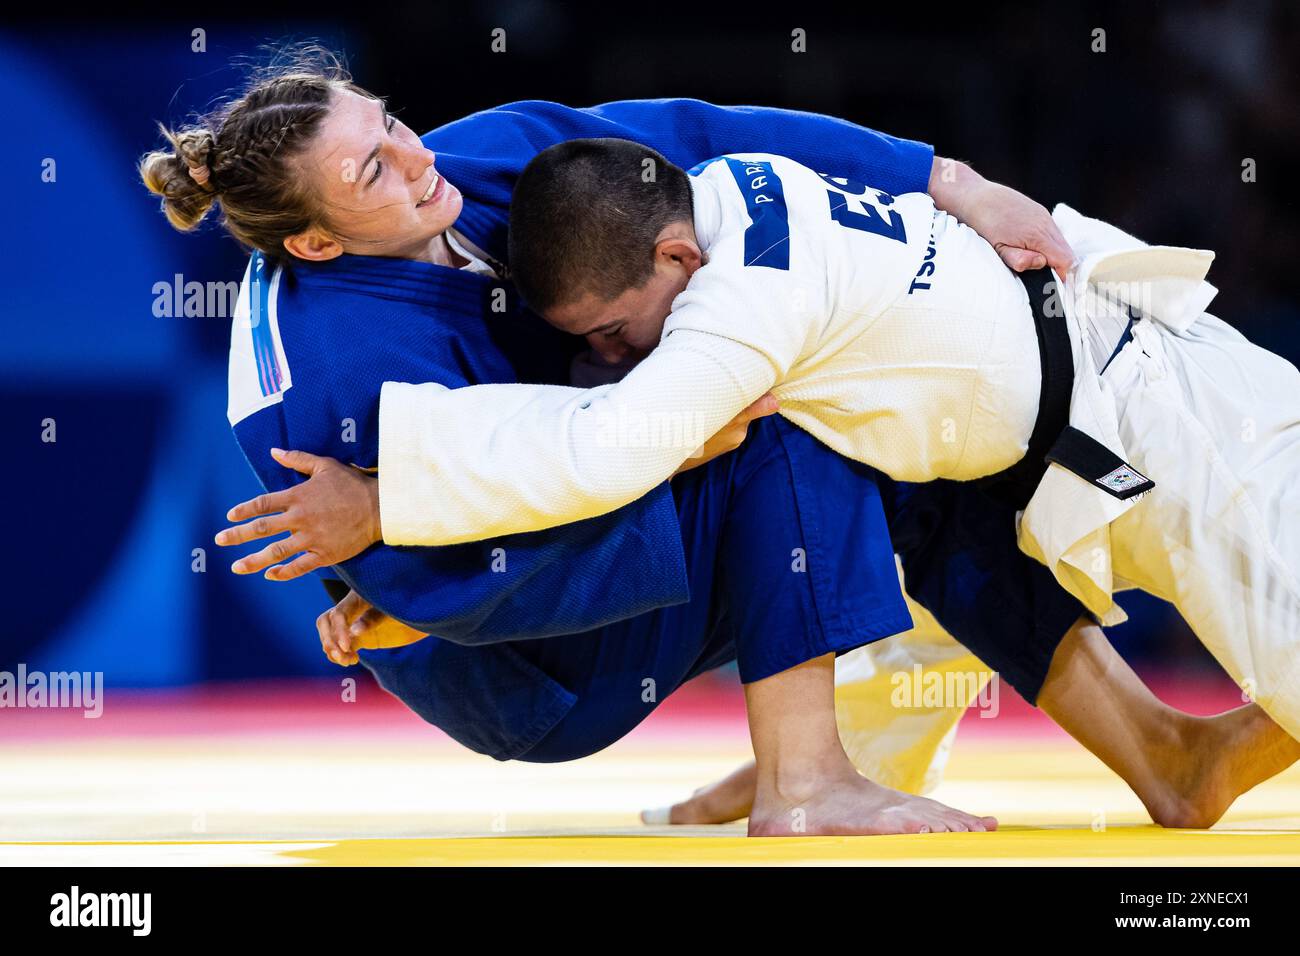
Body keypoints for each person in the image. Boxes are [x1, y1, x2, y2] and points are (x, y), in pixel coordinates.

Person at [290, 138, 1300, 755]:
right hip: (1085, 383)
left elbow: (599, 452)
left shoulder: (735, 315)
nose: (608, 359)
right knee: (894, 523)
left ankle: (811, 768)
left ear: (673, 257)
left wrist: (384, 502)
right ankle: (826, 756)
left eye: (608, 331)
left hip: (1167, 424)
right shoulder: (740, 182)